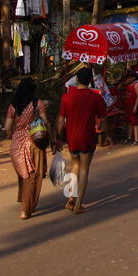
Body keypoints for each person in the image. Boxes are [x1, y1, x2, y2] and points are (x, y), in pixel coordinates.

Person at [58, 66, 108, 213]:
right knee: (84, 169)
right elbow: (103, 119)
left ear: (77, 80)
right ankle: (78, 205)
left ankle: (71, 199)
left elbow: (61, 121)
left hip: (72, 137)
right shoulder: (95, 97)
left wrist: (57, 138)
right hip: (87, 137)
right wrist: (102, 130)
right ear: (90, 80)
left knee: (74, 166)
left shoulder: (67, 97)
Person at [5, 78, 51, 219]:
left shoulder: (13, 106)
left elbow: (7, 128)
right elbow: (46, 122)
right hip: (34, 142)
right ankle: (26, 209)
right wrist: (52, 138)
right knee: (33, 176)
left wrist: (13, 135)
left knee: (22, 173)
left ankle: (22, 200)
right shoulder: (38, 103)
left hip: (16, 144)